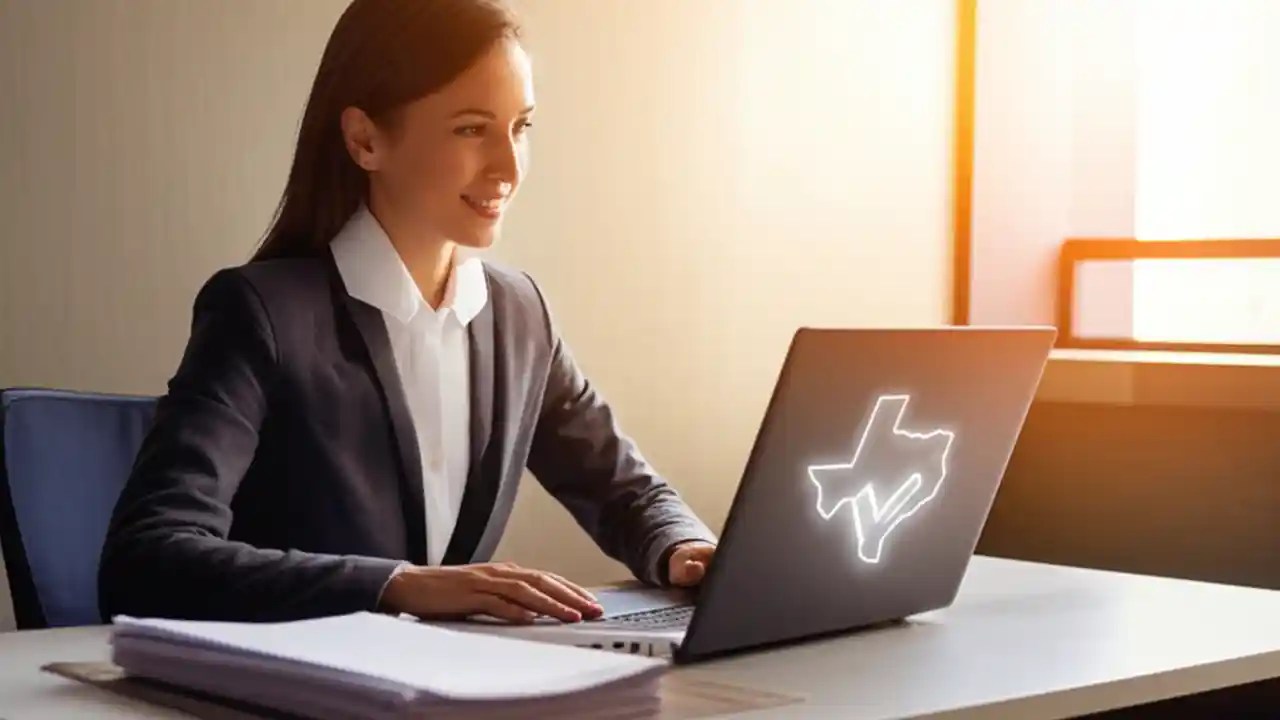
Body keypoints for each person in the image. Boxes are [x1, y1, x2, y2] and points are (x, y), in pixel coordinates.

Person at [98, 0, 716, 626]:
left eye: (520, 127)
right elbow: (146, 559)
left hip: (436, 688)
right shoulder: (261, 313)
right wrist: (394, 585)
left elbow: (624, 490)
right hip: (296, 686)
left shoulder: (519, 316)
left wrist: (686, 549)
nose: (508, 167)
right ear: (365, 139)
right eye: (472, 129)